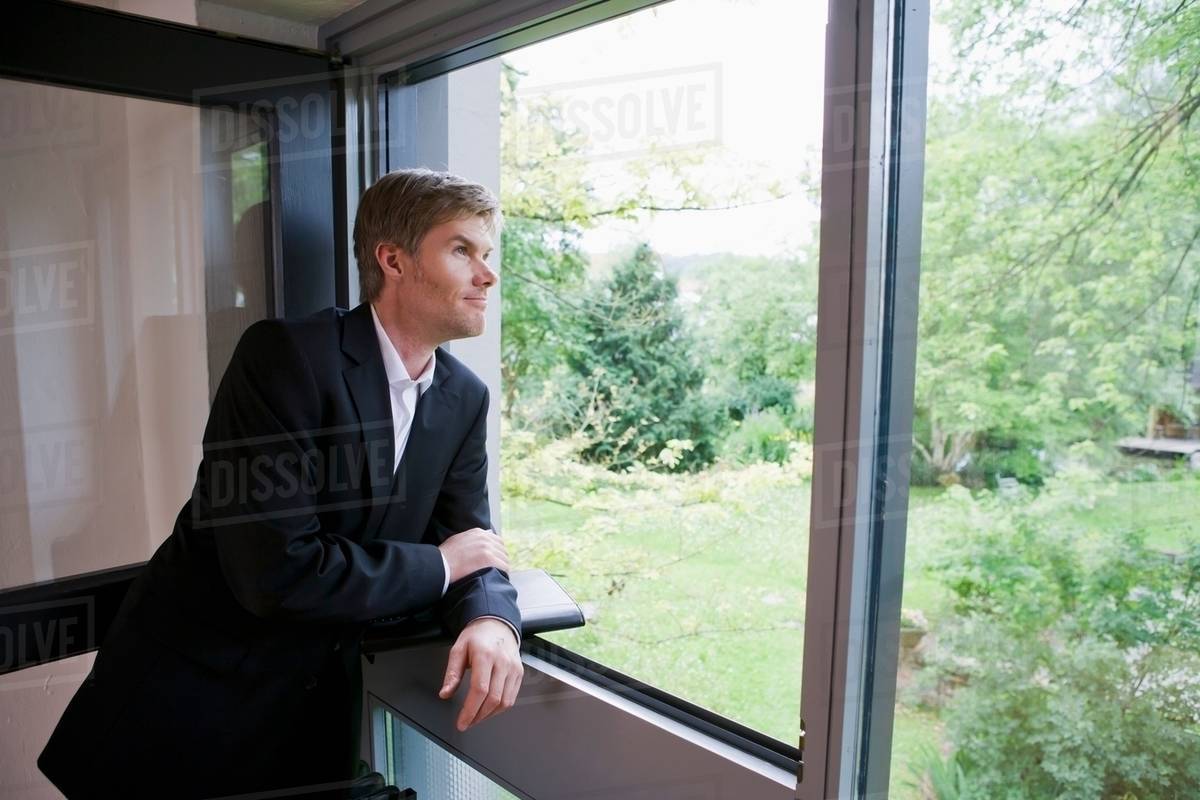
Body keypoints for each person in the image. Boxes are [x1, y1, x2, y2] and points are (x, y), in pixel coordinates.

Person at [38, 169, 524, 798]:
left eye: (488, 255)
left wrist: (492, 621)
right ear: (393, 259)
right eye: (462, 251)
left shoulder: (464, 397)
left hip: (310, 728)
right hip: (188, 716)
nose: (487, 275)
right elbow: (277, 572)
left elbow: (474, 545)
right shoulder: (285, 358)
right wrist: (437, 565)